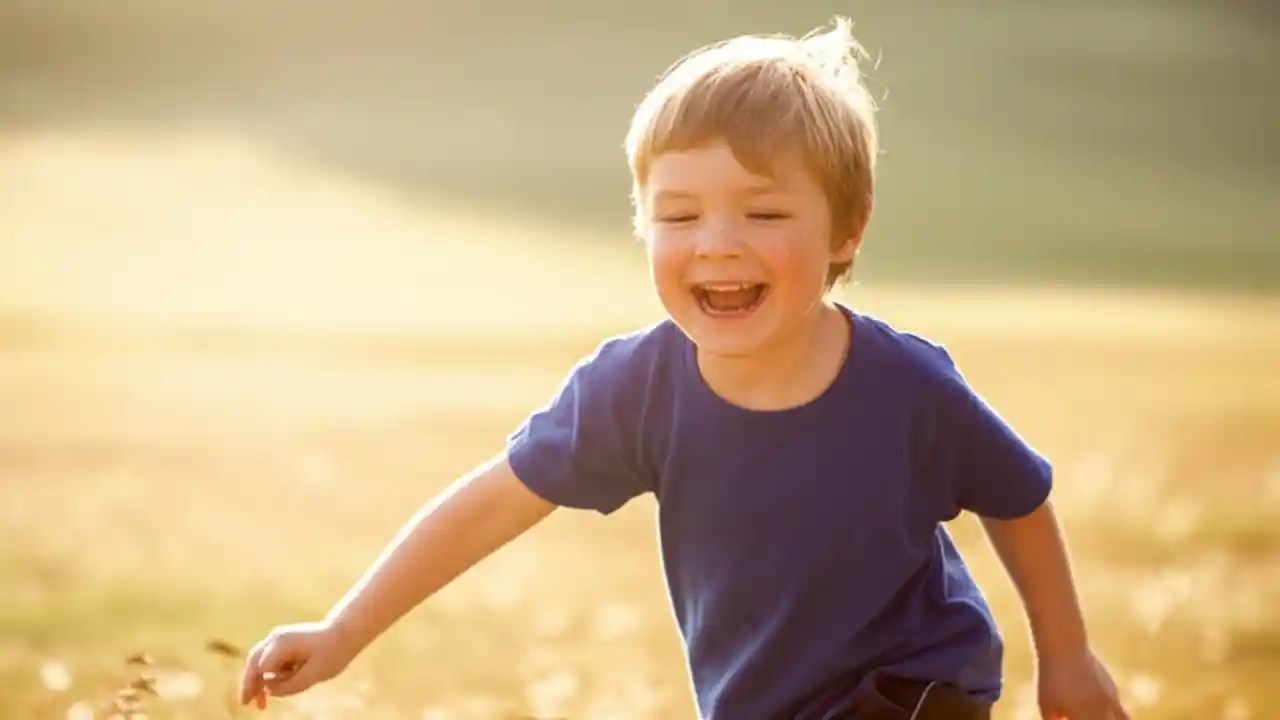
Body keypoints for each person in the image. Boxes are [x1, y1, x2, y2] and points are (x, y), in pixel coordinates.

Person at [239, 17, 1130, 719]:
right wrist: (345, 629)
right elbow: (494, 504)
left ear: (846, 232)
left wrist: (1067, 657)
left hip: (915, 692)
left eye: (764, 212)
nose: (718, 246)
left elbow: (1017, 497)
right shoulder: (637, 389)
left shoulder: (910, 388)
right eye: (679, 216)